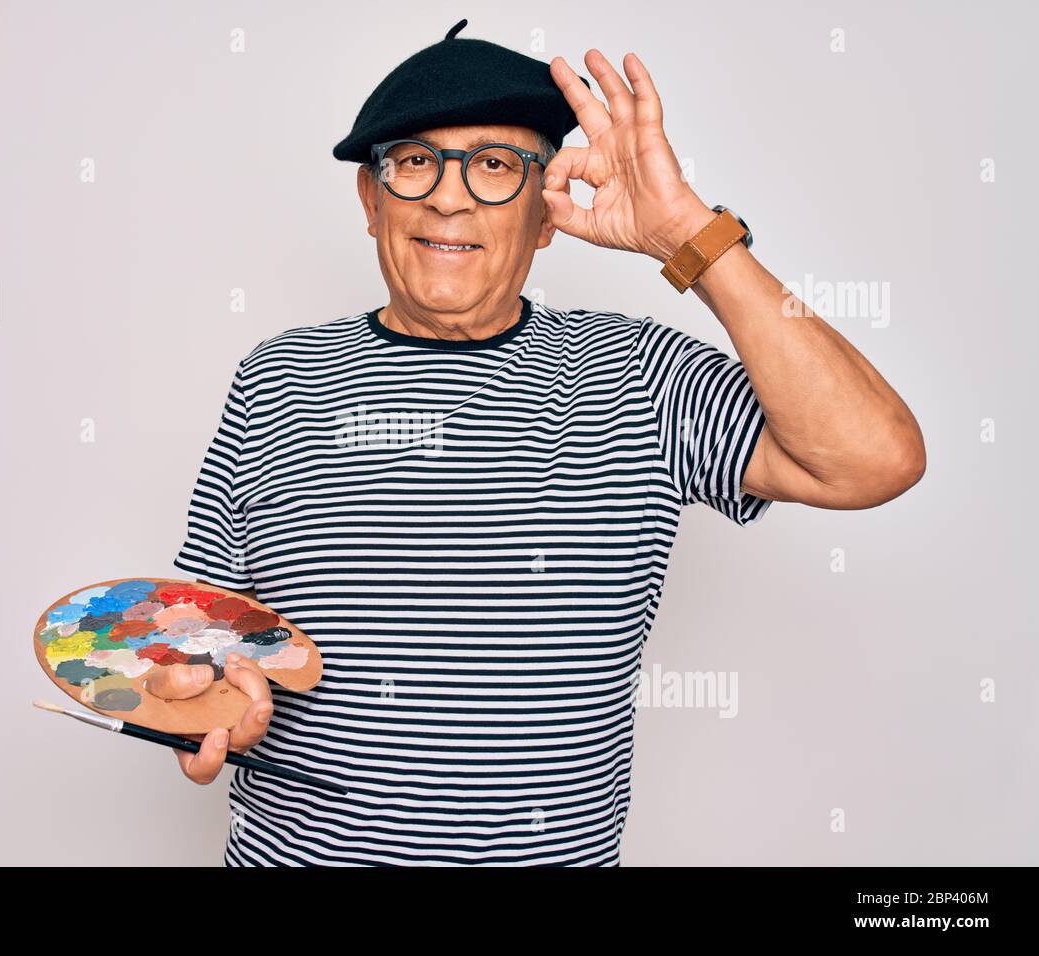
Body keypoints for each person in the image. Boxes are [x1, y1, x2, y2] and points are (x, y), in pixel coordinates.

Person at [155, 19, 925, 865]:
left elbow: (872, 458)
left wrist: (688, 237)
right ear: (372, 201)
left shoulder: (640, 372)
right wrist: (195, 699)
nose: (448, 196)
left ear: (547, 213)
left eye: (494, 166)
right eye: (414, 161)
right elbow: (202, 639)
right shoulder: (277, 377)